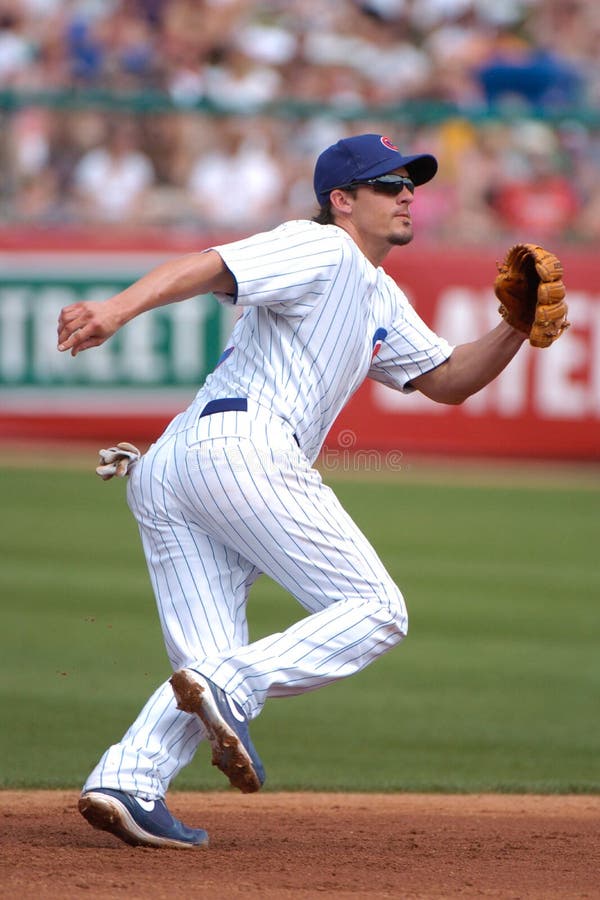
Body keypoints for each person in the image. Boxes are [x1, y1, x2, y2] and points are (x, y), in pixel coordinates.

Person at [57, 133, 528, 850]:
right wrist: (117, 310)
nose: (407, 194)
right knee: (375, 611)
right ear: (342, 200)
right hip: (242, 447)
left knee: (208, 664)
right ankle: (229, 683)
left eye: (410, 183)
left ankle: (129, 779)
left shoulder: (378, 292)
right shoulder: (322, 247)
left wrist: (515, 326)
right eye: (387, 184)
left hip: (174, 467)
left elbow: (447, 379)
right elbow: (211, 265)